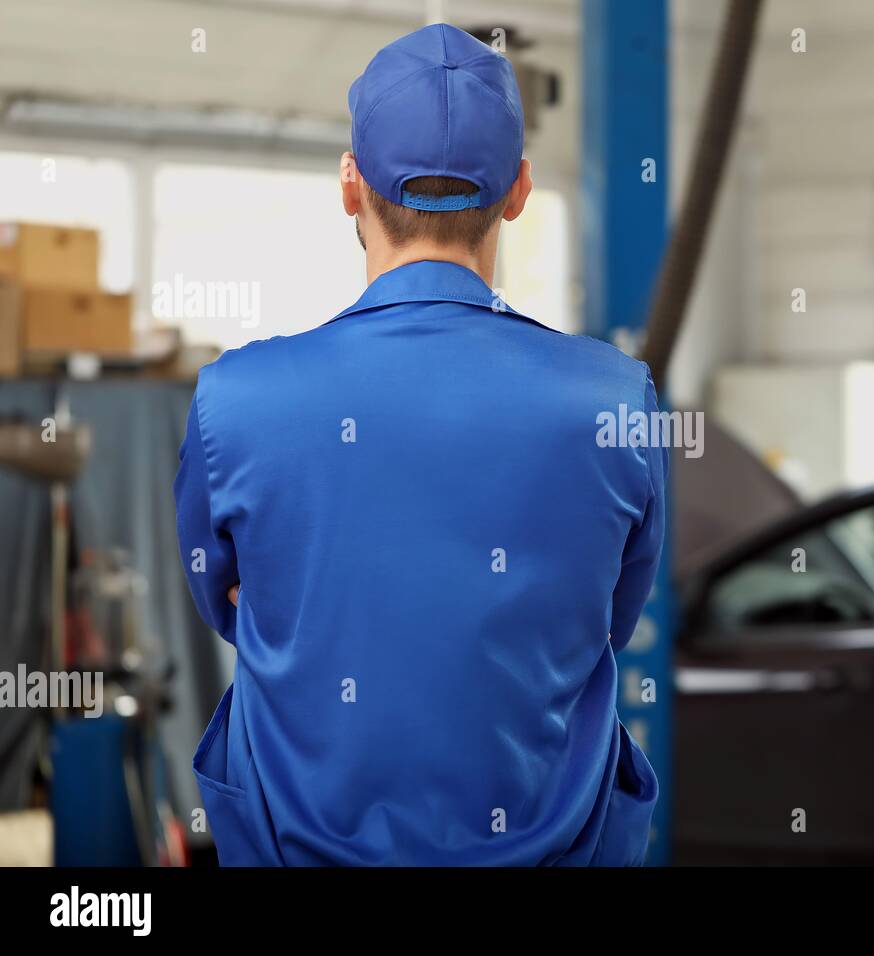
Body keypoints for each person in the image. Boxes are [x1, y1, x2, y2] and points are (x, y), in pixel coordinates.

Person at [174, 22, 664, 865]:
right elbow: (610, 620)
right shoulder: (616, 400)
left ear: (350, 184)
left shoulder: (238, 399)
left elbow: (226, 602)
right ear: (517, 190)